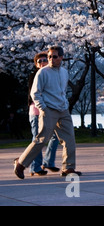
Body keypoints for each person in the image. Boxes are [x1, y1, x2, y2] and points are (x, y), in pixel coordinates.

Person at [14, 46, 81, 179]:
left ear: (61, 58)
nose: (51, 59)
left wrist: (65, 104)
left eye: (54, 56)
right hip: (48, 110)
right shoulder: (42, 72)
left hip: (63, 110)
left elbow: (62, 91)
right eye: (49, 56)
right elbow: (35, 93)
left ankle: (68, 168)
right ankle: (20, 164)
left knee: (69, 140)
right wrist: (43, 108)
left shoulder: (64, 72)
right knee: (41, 139)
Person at [27, 52, 60, 176]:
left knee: (55, 137)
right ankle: (35, 167)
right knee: (38, 138)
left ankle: (48, 162)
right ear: (36, 64)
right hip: (36, 111)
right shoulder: (34, 76)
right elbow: (34, 94)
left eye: (44, 60)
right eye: (39, 61)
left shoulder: (53, 74)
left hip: (51, 111)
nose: (42, 62)